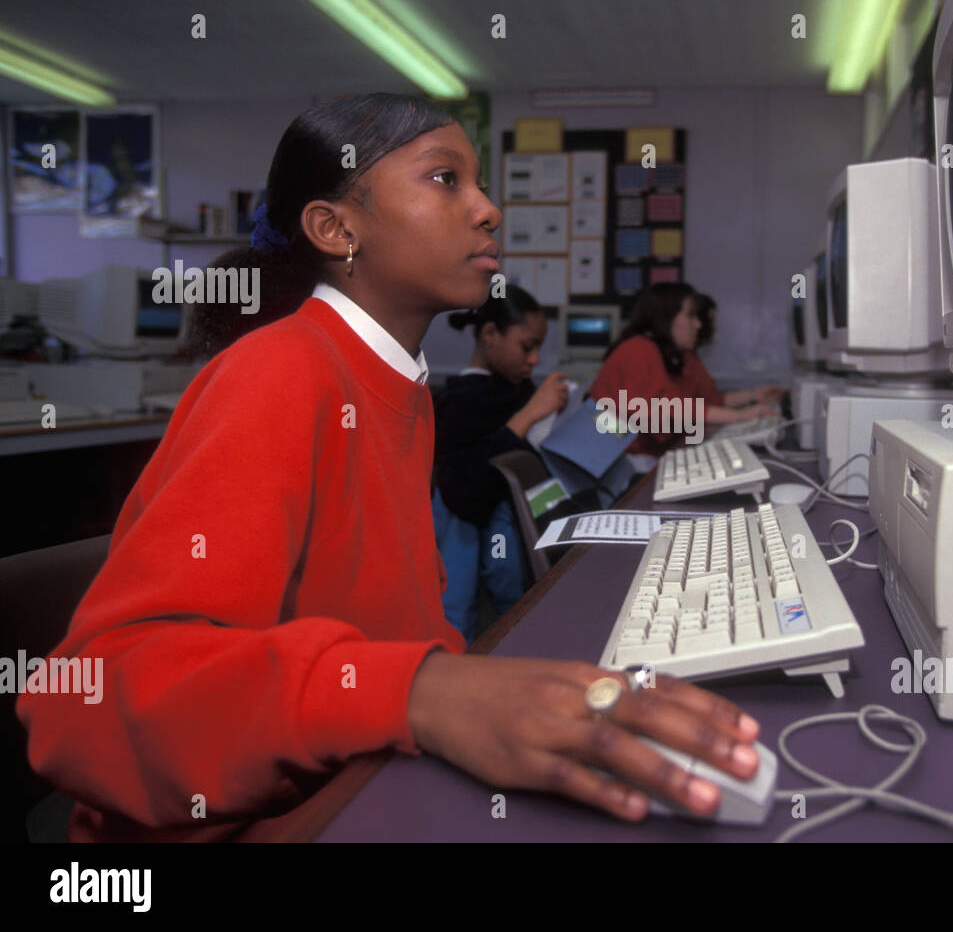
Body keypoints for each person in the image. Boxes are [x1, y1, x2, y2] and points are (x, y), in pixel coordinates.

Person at [18, 94, 761, 841]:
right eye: (446, 179)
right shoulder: (281, 372)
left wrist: (470, 691)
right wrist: (422, 691)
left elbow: (394, 619)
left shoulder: (400, 382)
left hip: (364, 775)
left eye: (480, 182)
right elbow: (85, 703)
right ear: (337, 228)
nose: (489, 209)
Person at [434, 284, 571, 637]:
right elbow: (465, 495)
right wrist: (527, 416)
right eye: (527, 347)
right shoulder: (462, 402)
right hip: (474, 543)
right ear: (491, 334)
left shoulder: (515, 390)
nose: (535, 360)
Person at [589, 283, 785, 457]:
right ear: (666, 318)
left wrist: (753, 396)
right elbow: (667, 408)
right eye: (690, 316)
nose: (698, 324)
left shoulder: (671, 353)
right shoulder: (638, 349)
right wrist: (740, 416)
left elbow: (703, 400)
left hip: (644, 452)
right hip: (620, 459)